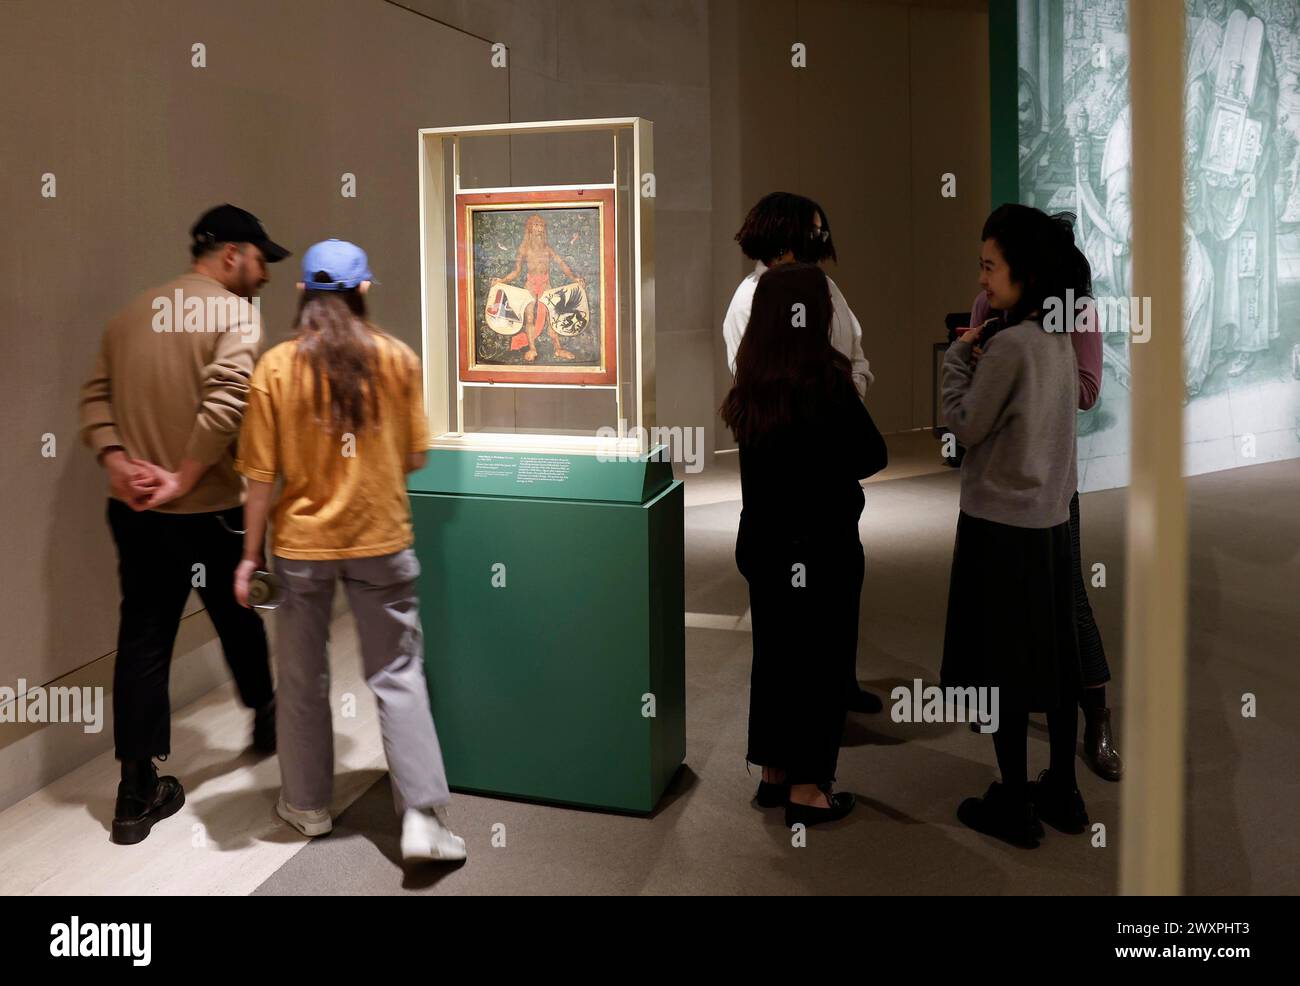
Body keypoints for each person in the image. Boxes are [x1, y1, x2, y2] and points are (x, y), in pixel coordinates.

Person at [233, 239, 466, 863]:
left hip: (302, 549)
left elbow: (258, 479)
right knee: (397, 673)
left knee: (302, 680)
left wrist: (248, 557)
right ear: (363, 292)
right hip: (381, 540)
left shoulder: (276, 367)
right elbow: (416, 455)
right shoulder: (397, 359)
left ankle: (306, 806)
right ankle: (420, 817)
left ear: (304, 294)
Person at [79, 204, 286, 845]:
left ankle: (134, 794)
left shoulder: (130, 314)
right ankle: (268, 719)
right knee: (237, 614)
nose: (265, 276)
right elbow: (228, 398)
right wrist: (187, 476)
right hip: (207, 509)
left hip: (136, 513)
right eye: (259, 260)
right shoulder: (234, 315)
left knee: (142, 639)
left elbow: (94, 397)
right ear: (230, 254)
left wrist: (116, 460)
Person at [941, 205, 1091, 849]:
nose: (982, 281)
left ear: (1024, 274)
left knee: (1000, 669)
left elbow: (965, 426)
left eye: (989, 267)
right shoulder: (1058, 342)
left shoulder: (1007, 346)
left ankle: (1015, 808)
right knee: (1054, 668)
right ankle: (1061, 787)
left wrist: (954, 360)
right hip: (1050, 526)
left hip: (999, 531)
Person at [721, 263, 888, 828]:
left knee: (774, 657)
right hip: (822, 543)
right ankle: (809, 789)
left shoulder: (751, 382)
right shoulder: (825, 379)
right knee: (820, 663)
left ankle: (772, 775)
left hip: (763, 542)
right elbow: (872, 454)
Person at [722, 191, 881, 716]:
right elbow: (762, 388)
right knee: (791, 620)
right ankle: (810, 725)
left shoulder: (823, 285)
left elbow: (855, 354)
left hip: (827, 461)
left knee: (840, 589)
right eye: (810, 231)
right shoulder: (752, 298)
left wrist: (844, 394)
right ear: (780, 234)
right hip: (789, 474)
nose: (819, 240)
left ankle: (839, 684)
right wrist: (827, 397)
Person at [966, 283, 1123, 782]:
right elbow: (970, 408)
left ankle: (1096, 717)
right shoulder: (989, 305)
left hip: (1049, 482)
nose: (986, 279)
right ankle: (998, 700)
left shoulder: (1074, 312)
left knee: (1067, 597)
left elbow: (1086, 391)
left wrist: (1025, 371)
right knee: (998, 605)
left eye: (993, 264)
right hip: (996, 482)